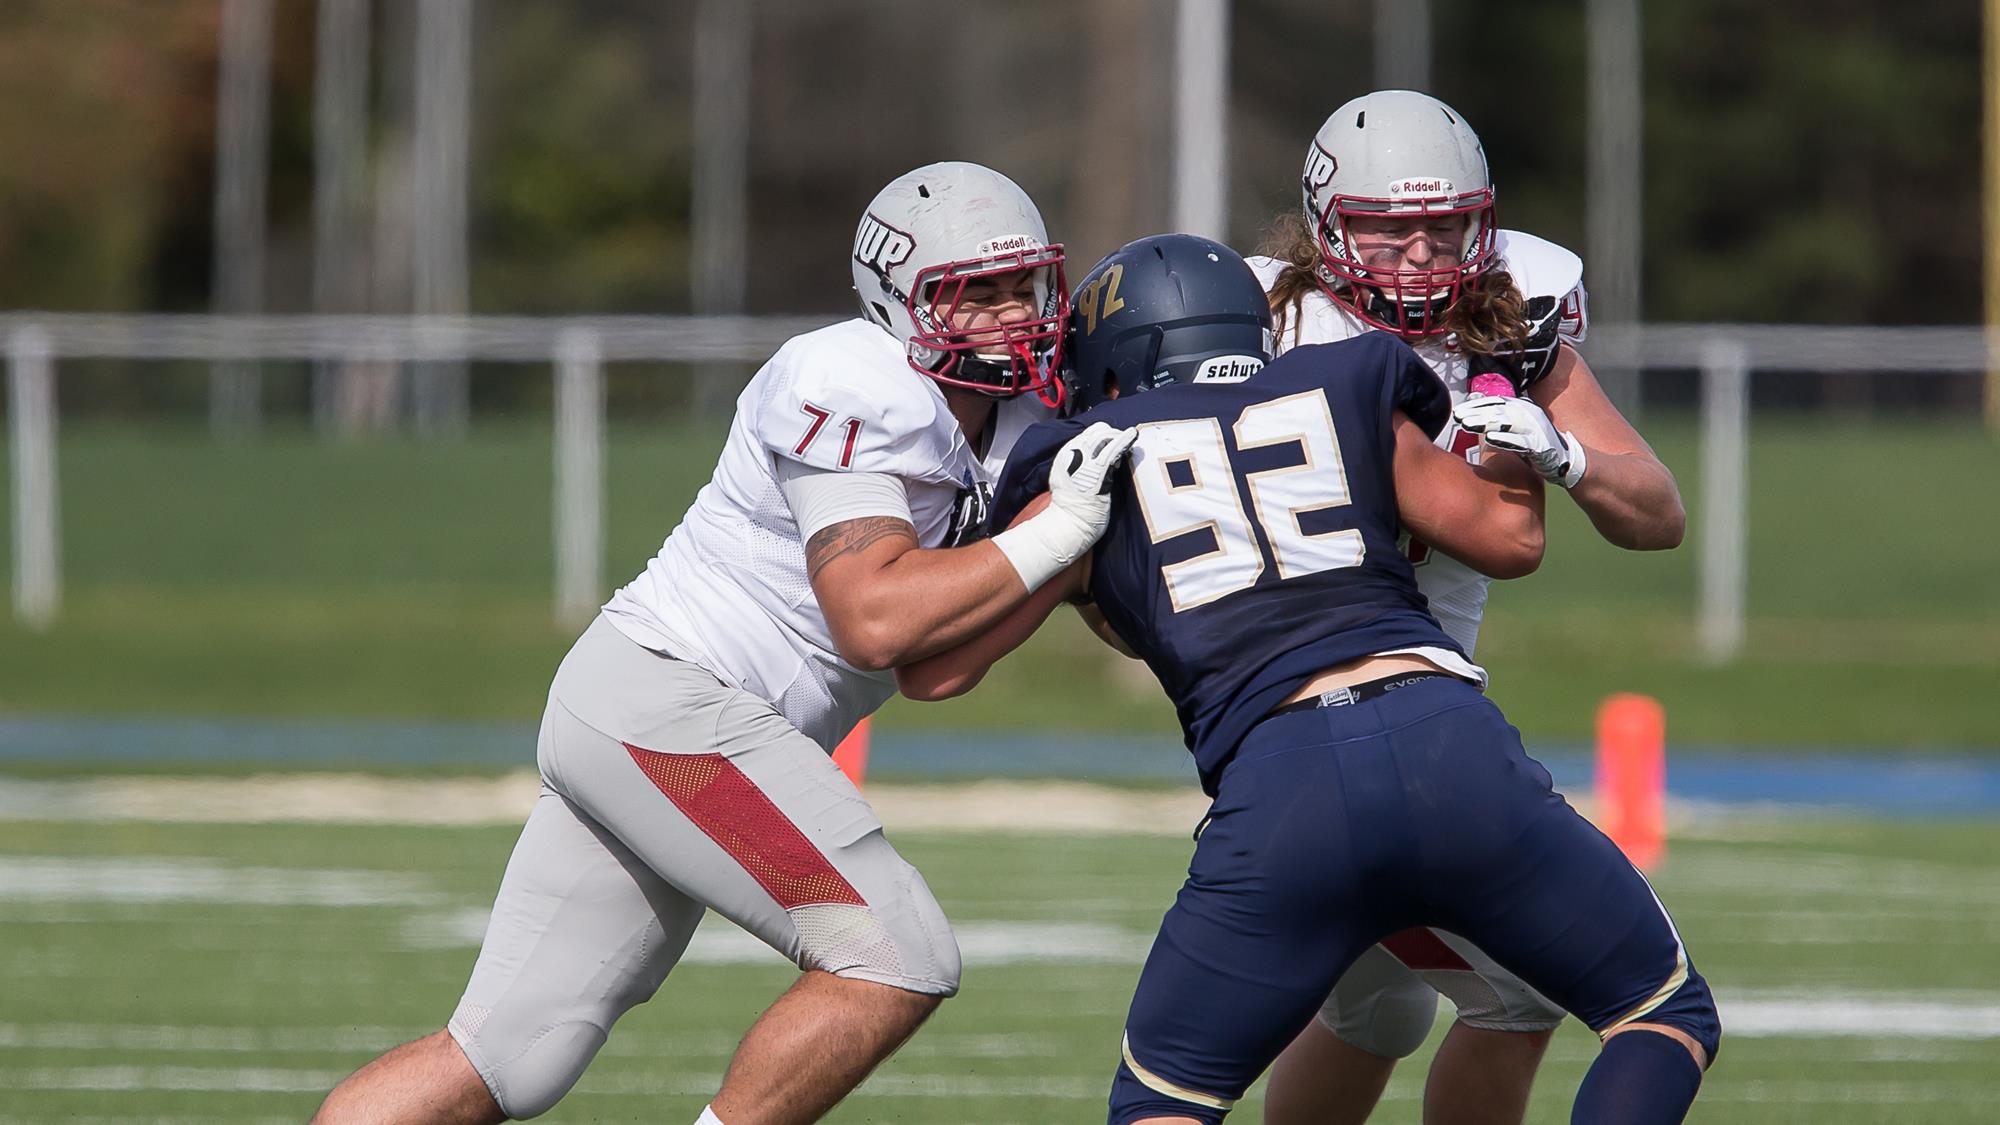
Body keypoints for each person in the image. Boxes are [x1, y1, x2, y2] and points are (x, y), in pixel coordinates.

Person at [308, 161, 1138, 1125]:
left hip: (651, 715)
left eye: (1020, 287)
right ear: (897, 304)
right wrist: (1049, 535)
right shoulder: (858, 379)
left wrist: (1069, 560)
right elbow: (873, 623)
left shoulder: (1023, 423)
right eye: (972, 294)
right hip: (673, 704)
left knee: (506, 1059)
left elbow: (937, 668)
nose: (1006, 316)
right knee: (896, 956)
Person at [901, 234, 1719, 1125]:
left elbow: (937, 672)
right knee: (1659, 1010)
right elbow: (1503, 536)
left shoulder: (1090, 457)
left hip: (1279, 787)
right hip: (1445, 743)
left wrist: (1056, 539)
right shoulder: (1343, 389)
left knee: (1161, 1103)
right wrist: (1515, 434)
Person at [1247, 90, 1690, 1125]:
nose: (1417, 253)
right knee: (1527, 989)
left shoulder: (1513, 314)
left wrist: (1566, 455)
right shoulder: (1261, 324)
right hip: (1321, 717)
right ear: (1324, 225)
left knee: (1379, 1011)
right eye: (1386, 227)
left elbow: (1656, 512)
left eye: (1443, 225)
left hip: (1414, 713)